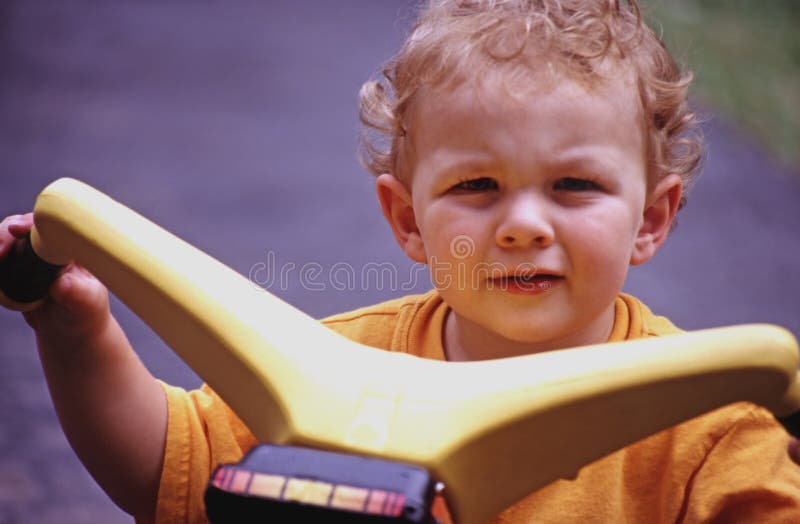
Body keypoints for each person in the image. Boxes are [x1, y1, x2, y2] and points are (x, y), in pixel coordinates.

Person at [1, 0, 799, 522]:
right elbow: (169, 471)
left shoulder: (705, 422)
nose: (523, 224)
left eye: (575, 185)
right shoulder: (341, 371)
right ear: (408, 218)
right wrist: (76, 334)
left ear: (650, 219)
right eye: (478, 186)